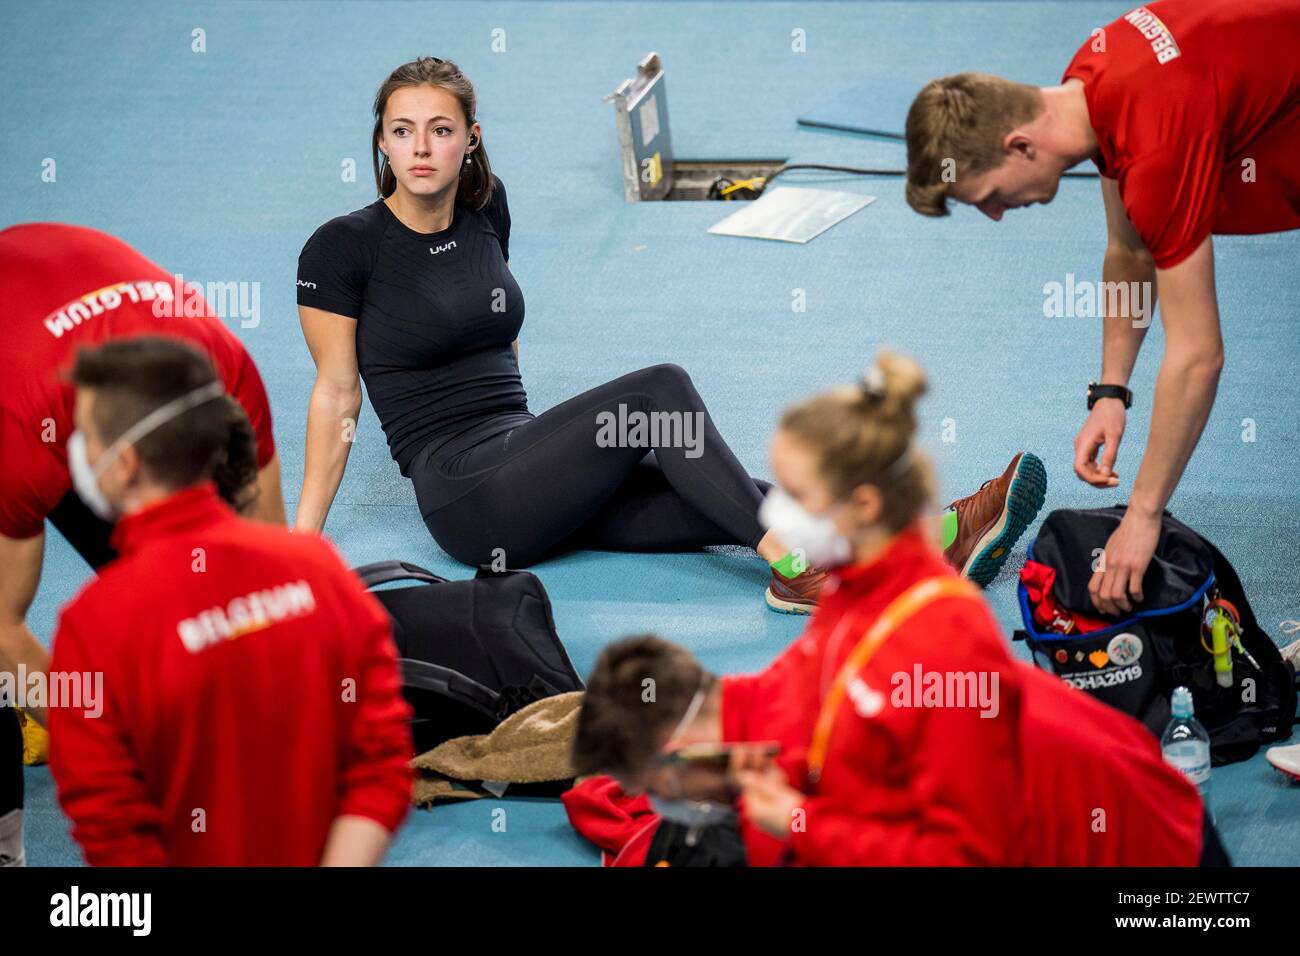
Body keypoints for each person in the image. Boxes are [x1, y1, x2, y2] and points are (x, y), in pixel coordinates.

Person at [295, 55, 1043, 617]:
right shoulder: (343, 249)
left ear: (470, 139)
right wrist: (301, 541)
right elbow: (335, 395)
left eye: (440, 129)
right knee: (659, 393)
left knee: (721, 492)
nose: (420, 147)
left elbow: (495, 336)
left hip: (528, 463)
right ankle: (791, 571)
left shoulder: (488, 211)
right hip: (467, 496)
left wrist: (557, 446)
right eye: (402, 130)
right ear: (382, 144)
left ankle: (924, 542)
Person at [570, 352, 1217, 866]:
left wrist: (798, 821)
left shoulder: (938, 641)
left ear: (865, 508)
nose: (772, 515)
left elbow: (964, 856)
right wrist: (700, 721)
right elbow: (800, 689)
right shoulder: (857, 594)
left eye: (794, 497)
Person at [903, 0, 1300, 616]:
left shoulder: (1158, 153)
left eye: (988, 197)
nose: (998, 214)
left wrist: (1142, 517)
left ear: (1019, 144)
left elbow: (1198, 358)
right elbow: (1127, 249)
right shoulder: (1092, 71)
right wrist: (1110, 392)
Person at [45, 337, 412, 866]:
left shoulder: (94, 625)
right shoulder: (318, 569)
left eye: (85, 437)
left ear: (124, 463)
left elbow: (111, 828)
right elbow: (380, 762)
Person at [0, 223, 286, 867]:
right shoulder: (18, 441)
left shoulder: (232, 376)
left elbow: (267, 587)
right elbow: (4, 628)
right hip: (19, 379)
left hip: (75, 332)